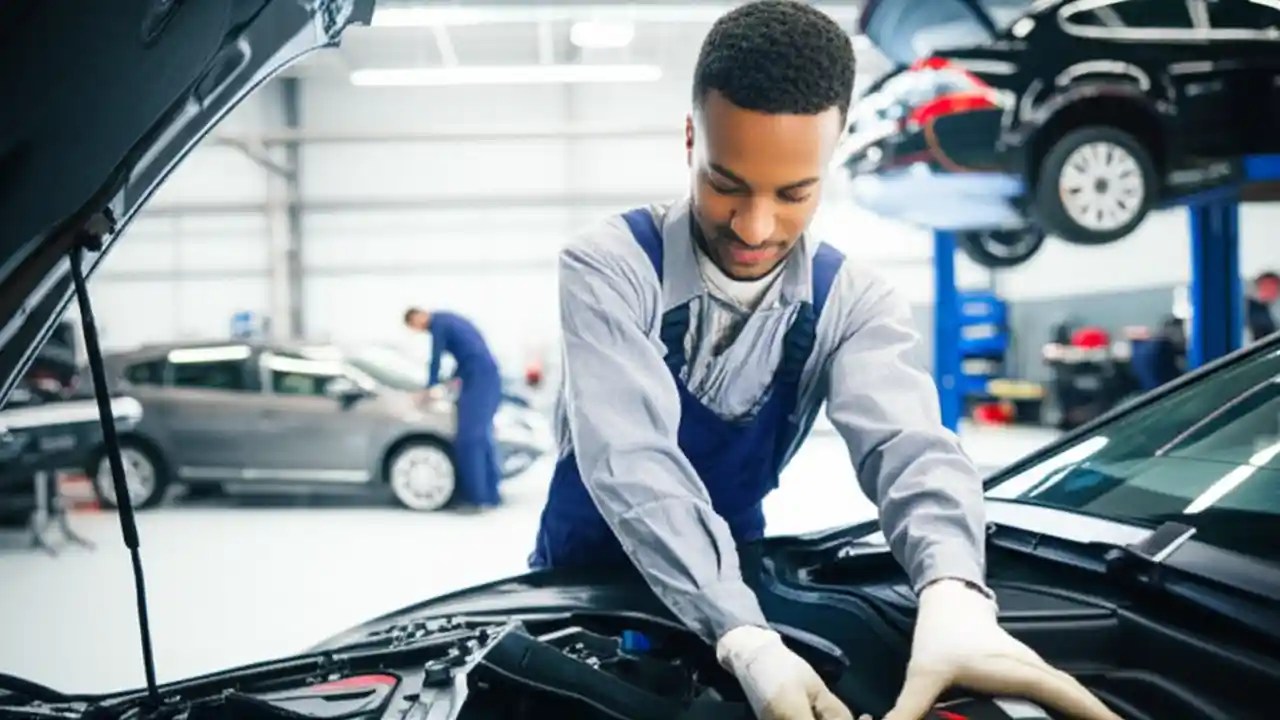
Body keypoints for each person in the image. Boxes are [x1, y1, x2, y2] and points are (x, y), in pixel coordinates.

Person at [529, 3, 1122, 720]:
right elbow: (631, 460)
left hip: (735, 570)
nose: (755, 226)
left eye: (793, 193)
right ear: (691, 138)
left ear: (828, 164)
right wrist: (745, 638)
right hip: (582, 578)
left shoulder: (854, 302)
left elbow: (911, 448)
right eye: (726, 183)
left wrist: (952, 590)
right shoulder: (610, 265)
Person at [403, 307, 502, 509]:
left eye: (414, 325)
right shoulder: (450, 319)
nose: (419, 329)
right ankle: (490, 495)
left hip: (478, 378)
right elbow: (470, 352)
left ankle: (475, 498)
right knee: (482, 437)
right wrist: (451, 379)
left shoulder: (438, 324)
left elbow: (436, 359)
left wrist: (429, 388)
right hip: (485, 375)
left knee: (469, 438)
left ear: (418, 316)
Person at [1246, 271, 1279, 343]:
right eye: (1267, 286)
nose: (1272, 290)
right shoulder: (1247, 308)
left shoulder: (1270, 310)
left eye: (1275, 287)